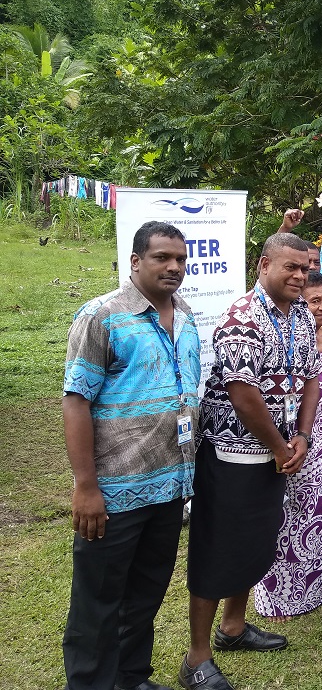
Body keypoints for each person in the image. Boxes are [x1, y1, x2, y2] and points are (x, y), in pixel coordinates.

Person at [62, 221, 199, 690]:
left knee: (145, 595)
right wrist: (85, 486)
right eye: (162, 257)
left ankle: (130, 678)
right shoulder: (102, 316)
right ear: (136, 261)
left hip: (169, 486)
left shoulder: (185, 314)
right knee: (97, 602)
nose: (174, 267)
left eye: (180, 258)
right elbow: (76, 399)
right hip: (115, 492)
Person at [182, 233, 319, 690]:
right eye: (290, 268)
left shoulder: (300, 314)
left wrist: (300, 435)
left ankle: (233, 628)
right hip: (232, 454)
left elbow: (312, 378)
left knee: (256, 542)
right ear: (264, 265)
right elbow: (244, 396)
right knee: (216, 547)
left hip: (278, 454)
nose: (300, 276)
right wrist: (283, 449)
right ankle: (196, 658)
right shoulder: (244, 317)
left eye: (305, 268)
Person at [253, 271, 322, 621]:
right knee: (282, 518)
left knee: (316, 516)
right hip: (283, 440)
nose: (321, 307)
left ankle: (317, 588)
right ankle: (278, 598)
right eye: (312, 300)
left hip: (319, 442)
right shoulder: (283, 337)